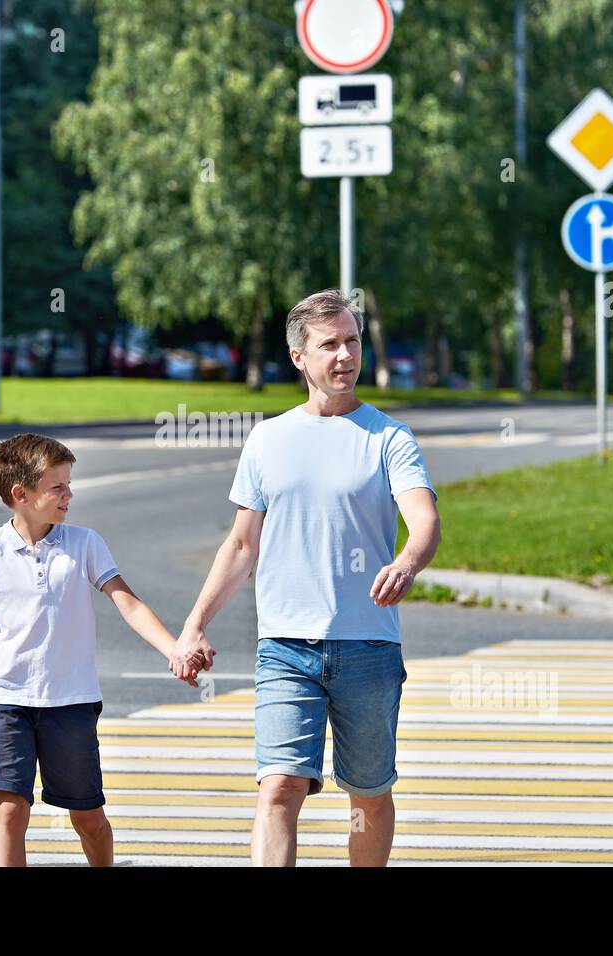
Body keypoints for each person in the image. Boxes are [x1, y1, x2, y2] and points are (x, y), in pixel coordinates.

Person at [174, 289, 441, 866]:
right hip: (285, 648)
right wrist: (194, 625)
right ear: (299, 357)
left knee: (367, 795)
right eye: (330, 344)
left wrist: (407, 562)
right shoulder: (268, 439)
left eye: (352, 341)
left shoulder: (388, 438)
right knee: (278, 788)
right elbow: (242, 544)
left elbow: (424, 520)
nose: (345, 355)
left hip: (368, 645)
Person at [0, 433, 205, 866]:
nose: (70, 494)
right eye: (58, 487)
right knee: (10, 811)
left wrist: (174, 649)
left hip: (71, 701)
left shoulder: (84, 543)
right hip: (8, 701)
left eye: (69, 484)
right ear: (21, 494)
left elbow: (128, 603)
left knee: (87, 818)